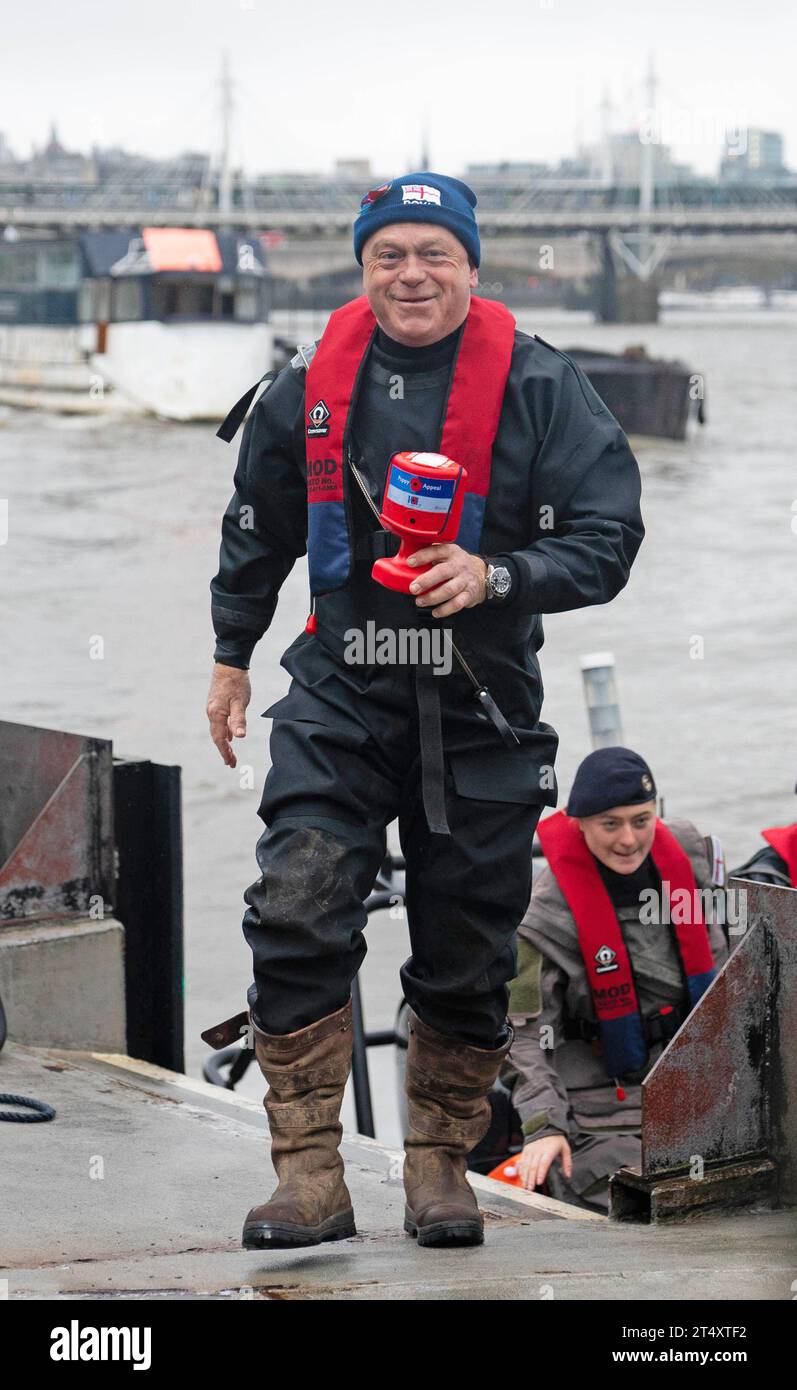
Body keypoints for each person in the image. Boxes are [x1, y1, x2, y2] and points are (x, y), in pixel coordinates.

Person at [205, 171, 645, 1250]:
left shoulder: (542, 385)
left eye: (432, 253)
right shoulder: (308, 385)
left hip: (483, 704)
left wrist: (495, 575)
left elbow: (606, 537)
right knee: (297, 903)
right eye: (388, 255)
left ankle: (439, 1166)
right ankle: (308, 1175)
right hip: (340, 687)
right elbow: (257, 527)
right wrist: (228, 658)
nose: (410, 273)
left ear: (470, 263)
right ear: (362, 268)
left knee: (467, 948)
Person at [504, 747, 729, 1213]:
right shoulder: (542, 915)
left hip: (701, 1090)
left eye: (641, 820)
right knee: (645, 1207)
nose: (628, 839)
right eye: (610, 824)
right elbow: (524, 1038)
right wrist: (544, 1129)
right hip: (602, 1108)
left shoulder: (693, 861)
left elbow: (741, 973)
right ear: (579, 822)